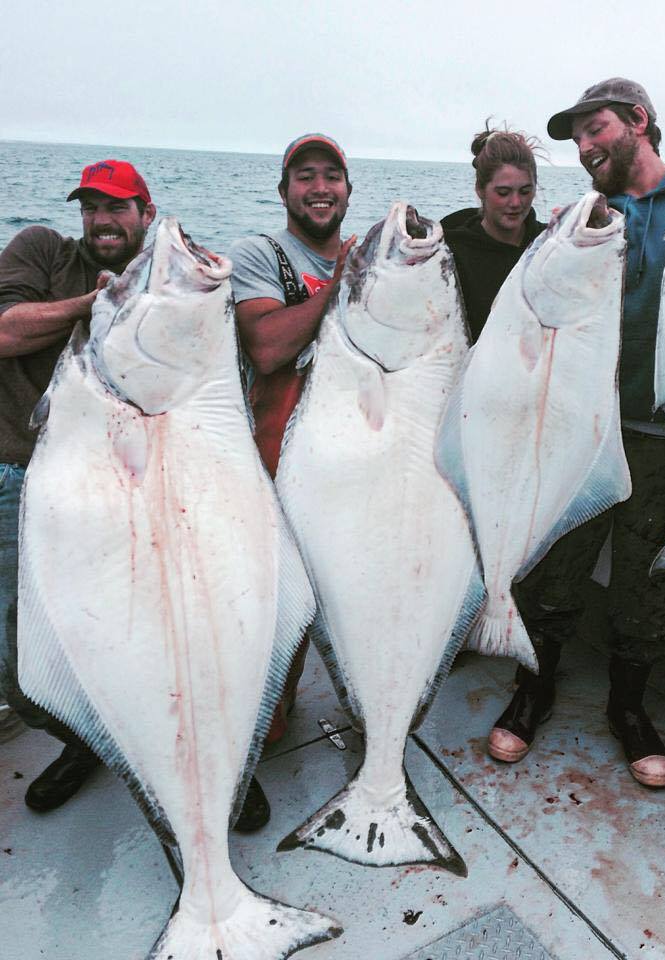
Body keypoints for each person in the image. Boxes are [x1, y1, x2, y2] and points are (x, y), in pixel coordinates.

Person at [487, 79, 665, 789]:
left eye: (597, 129)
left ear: (640, 122)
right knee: (555, 565)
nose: (584, 148)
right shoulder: (589, 218)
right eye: (577, 137)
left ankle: (629, 709)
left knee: (649, 588)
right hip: (581, 427)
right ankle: (535, 689)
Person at [0, 159, 156, 810]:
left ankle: (174, 749)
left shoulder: (164, 280)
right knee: (18, 660)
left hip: (126, 487)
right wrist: (94, 305)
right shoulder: (41, 250)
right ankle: (86, 742)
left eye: (117, 206)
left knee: (150, 633)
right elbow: (5, 332)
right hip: (21, 479)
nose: (101, 219)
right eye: (90, 206)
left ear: (146, 214)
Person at [229, 133, 355, 829]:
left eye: (331, 176)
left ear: (346, 189)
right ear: (284, 192)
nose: (319, 187)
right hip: (273, 478)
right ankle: (247, 739)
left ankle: (367, 707)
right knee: (262, 623)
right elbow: (268, 347)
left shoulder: (375, 261)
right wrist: (344, 287)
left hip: (351, 479)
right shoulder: (260, 256)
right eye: (304, 177)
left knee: (353, 613)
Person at [442, 123, 547, 342]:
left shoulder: (548, 245)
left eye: (525, 191)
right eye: (503, 192)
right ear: (480, 189)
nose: (516, 203)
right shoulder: (451, 253)